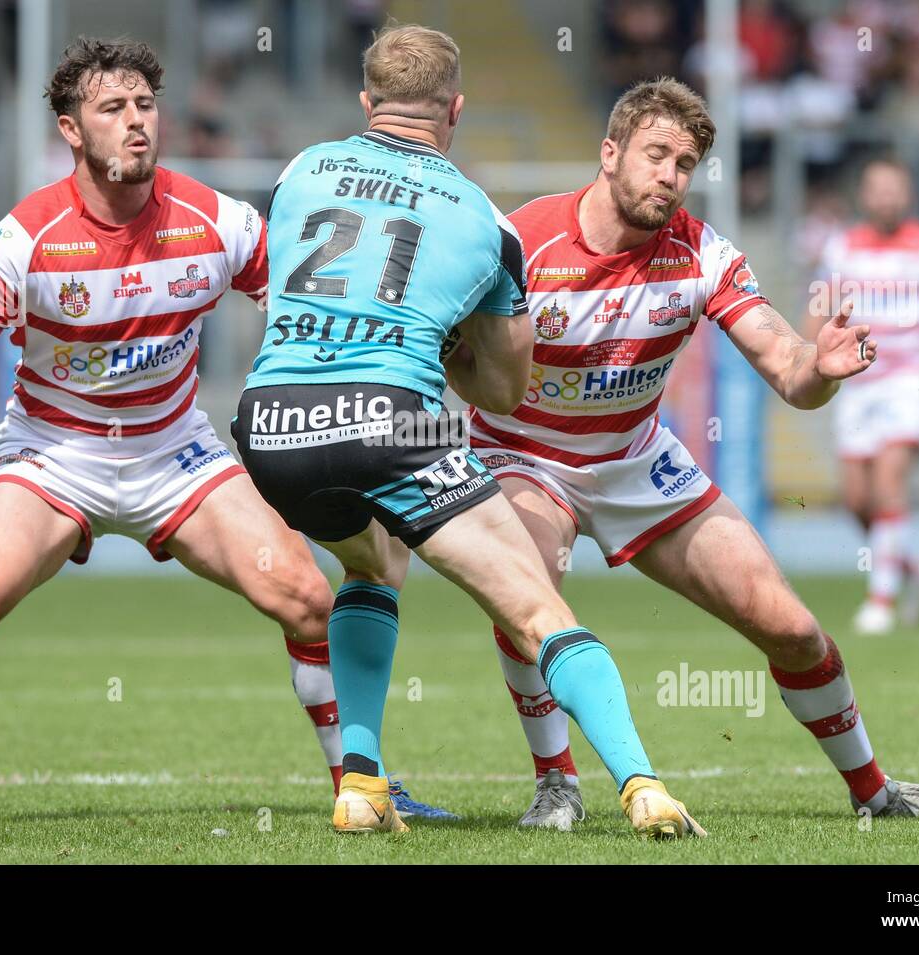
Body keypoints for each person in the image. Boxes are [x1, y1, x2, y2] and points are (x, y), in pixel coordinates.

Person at [0, 37, 446, 828]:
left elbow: (302, 294)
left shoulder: (216, 220)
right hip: (53, 454)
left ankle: (364, 782)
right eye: (112, 108)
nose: (136, 122)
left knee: (306, 596)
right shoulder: (27, 236)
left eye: (145, 105)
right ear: (71, 130)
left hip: (173, 450)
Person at [466, 78, 919, 829]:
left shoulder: (702, 252)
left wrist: (820, 366)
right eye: (655, 154)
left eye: (685, 163)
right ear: (609, 153)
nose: (669, 176)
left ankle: (877, 793)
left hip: (636, 457)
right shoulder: (520, 242)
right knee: (531, 583)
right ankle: (558, 785)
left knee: (792, 627)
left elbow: (786, 368)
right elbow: (457, 349)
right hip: (524, 453)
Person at [235, 24, 704, 838]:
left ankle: (360, 783)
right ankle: (644, 785)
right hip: (389, 419)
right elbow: (506, 388)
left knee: (373, 565)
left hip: (271, 423)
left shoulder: (299, 170)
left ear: (365, 103)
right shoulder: (488, 221)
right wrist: (448, 350)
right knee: (537, 607)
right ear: (455, 109)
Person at [811, 158, 919, 635]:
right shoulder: (841, 247)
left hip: (911, 379)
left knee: (890, 480)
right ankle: (909, 567)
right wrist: (805, 364)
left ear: (907, 194)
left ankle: (881, 600)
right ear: (863, 195)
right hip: (857, 381)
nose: (886, 197)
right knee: (855, 500)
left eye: (895, 189)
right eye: (877, 188)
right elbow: (821, 313)